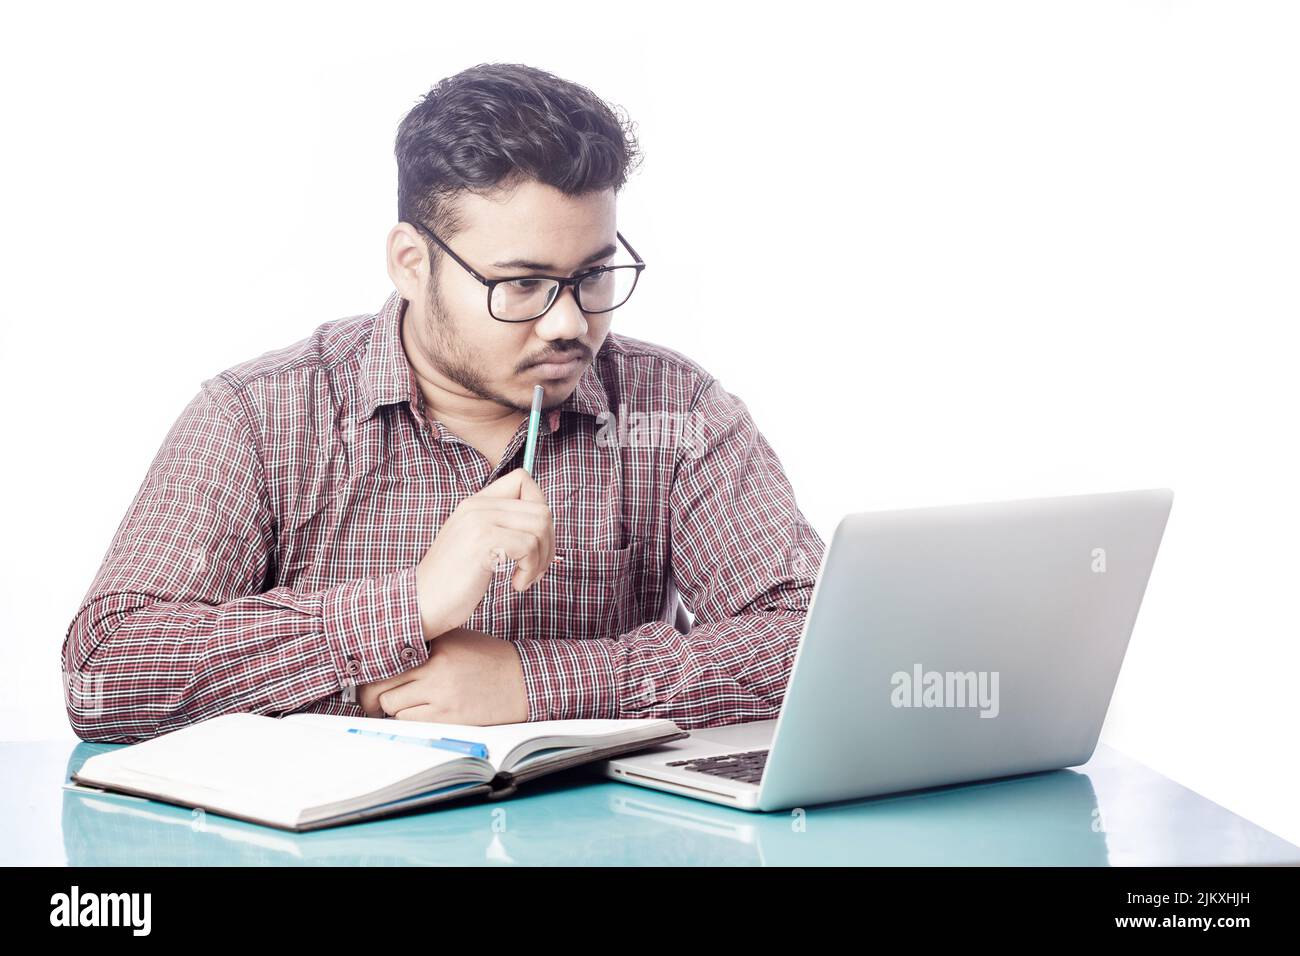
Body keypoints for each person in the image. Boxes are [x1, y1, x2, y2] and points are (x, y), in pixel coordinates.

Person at [62, 63, 824, 743]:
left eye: (593, 275)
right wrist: (409, 607)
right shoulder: (260, 416)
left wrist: (536, 684)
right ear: (411, 262)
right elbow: (105, 670)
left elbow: (821, 643)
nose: (569, 323)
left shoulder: (676, 412)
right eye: (521, 284)